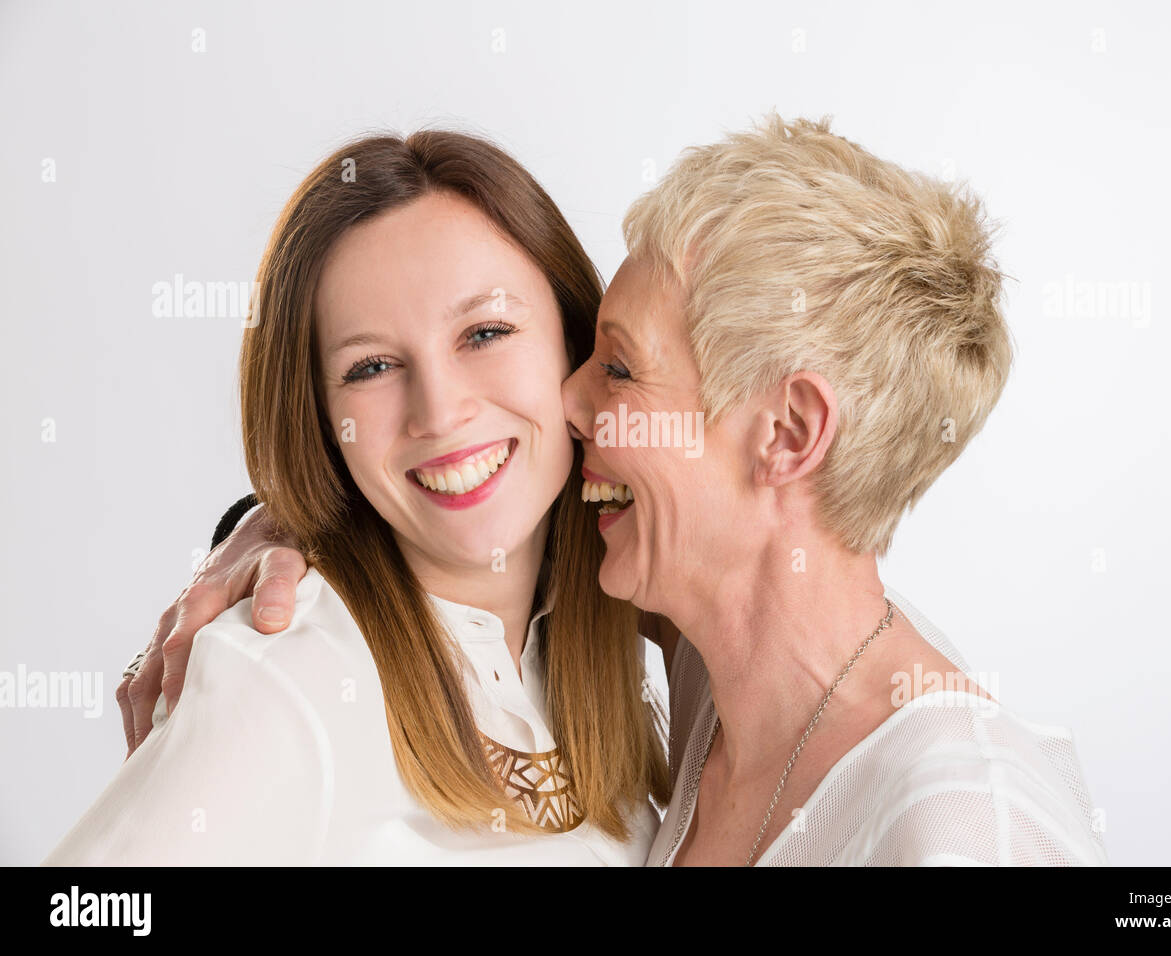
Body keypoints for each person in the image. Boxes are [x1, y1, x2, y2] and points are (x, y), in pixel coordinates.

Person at [118, 115, 1107, 866]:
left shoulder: (970, 819)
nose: (572, 398)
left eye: (621, 370)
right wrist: (283, 518)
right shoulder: (710, 667)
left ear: (789, 433)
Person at [44, 129, 670, 865]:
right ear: (317, 416)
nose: (438, 413)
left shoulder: (623, 626)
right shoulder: (279, 673)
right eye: (371, 366)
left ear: (574, 343)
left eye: (486, 332)